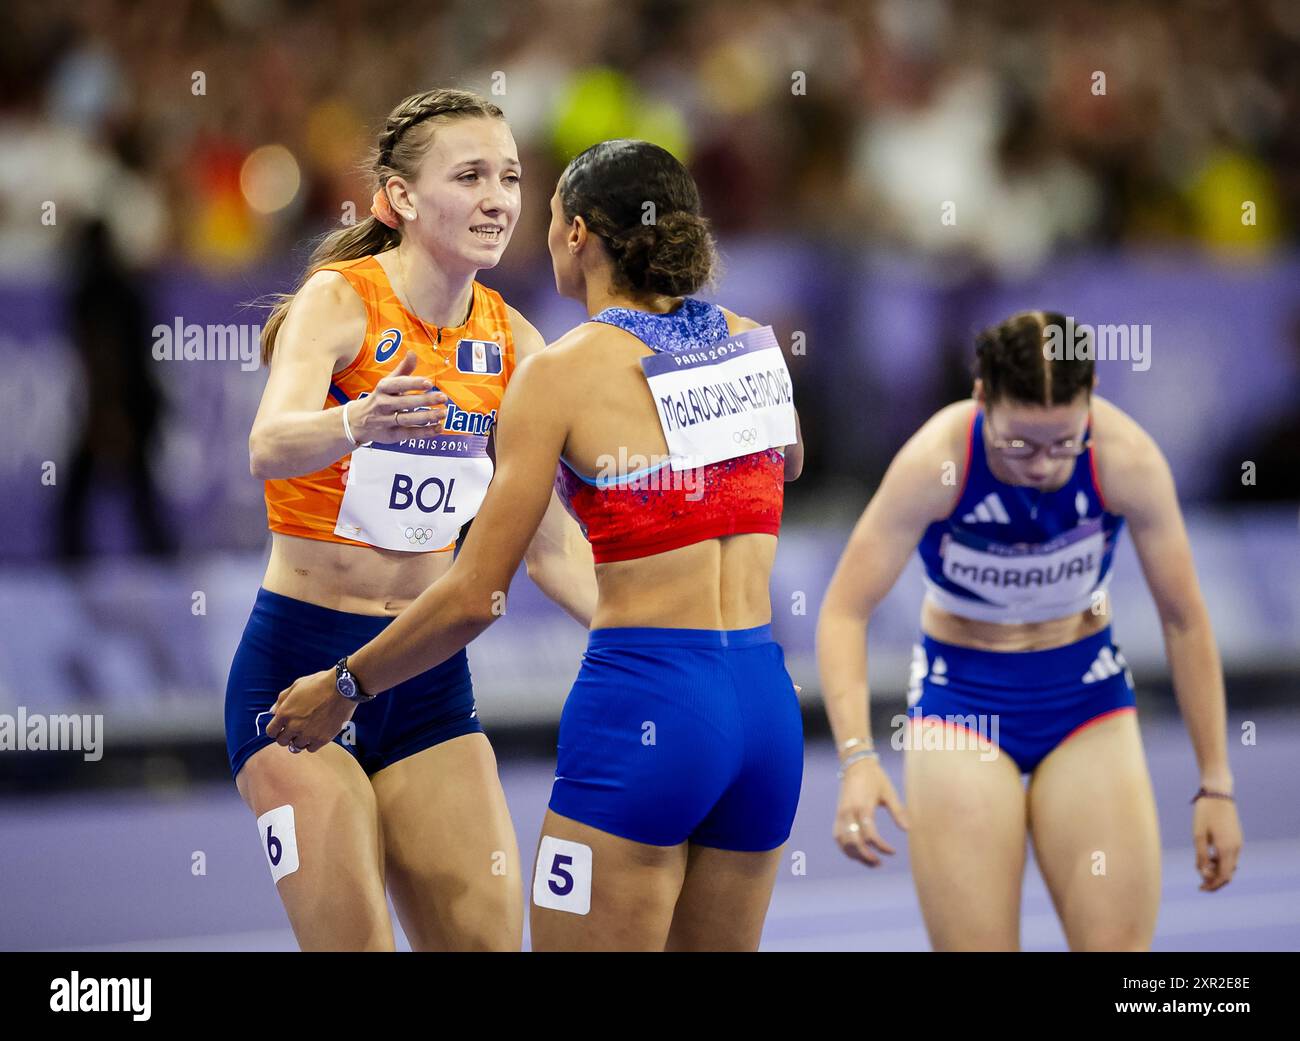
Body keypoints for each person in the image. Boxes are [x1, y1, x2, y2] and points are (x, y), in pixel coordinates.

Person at [268, 139, 806, 951]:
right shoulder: (752, 341)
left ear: (578, 235)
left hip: (648, 703)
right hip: (766, 708)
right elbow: (790, 458)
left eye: (547, 213)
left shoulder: (558, 373)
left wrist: (349, 681)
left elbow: (478, 594)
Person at [227, 88, 596, 952]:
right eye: (469, 176)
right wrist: (359, 420)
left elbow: (549, 547)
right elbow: (269, 445)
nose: (498, 198)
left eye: (509, 177)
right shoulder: (340, 300)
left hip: (425, 678)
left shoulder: (519, 346)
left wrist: (659, 629)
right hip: (296, 666)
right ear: (397, 199)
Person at [816, 310, 1243, 951]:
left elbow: (1184, 619)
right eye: (1018, 444)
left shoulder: (1128, 459)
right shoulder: (937, 461)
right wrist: (856, 757)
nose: (1042, 465)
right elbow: (844, 611)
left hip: (1085, 696)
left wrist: (1216, 783)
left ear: (1092, 395)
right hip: (962, 703)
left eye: (1064, 443)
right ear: (982, 397)